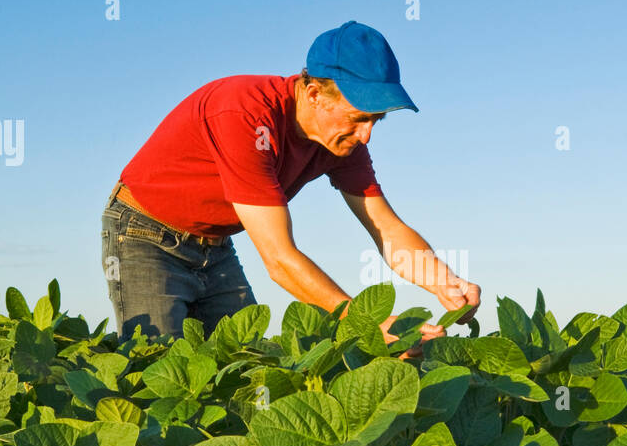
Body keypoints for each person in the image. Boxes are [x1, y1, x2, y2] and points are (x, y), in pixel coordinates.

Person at [101, 21, 480, 351]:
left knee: (243, 369)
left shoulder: (341, 141)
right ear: (314, 94)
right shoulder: (245, 114)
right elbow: (280, 259)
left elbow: (386, 227)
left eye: (376, 121)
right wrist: (364, 324)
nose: (366, 136)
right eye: (359, 118)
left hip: (214, 247)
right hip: (144, 235)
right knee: (156, 367)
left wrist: (444, 281)